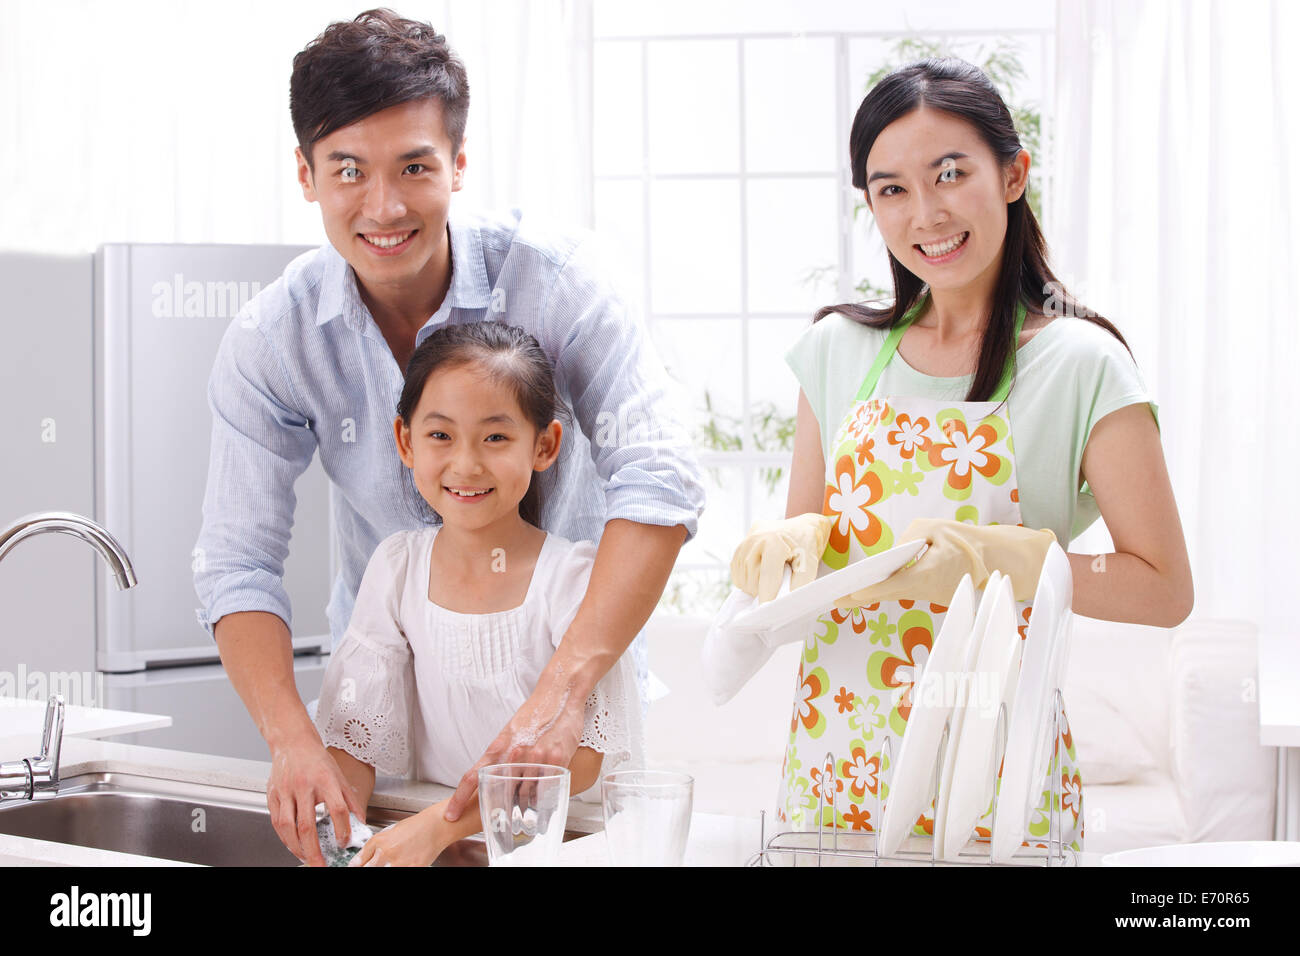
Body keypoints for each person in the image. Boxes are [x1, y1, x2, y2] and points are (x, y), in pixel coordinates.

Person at [193, 9, 703, 866]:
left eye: (415, 167)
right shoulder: (270, 339)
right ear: (306, 174)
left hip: (565, 737)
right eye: (348, 169)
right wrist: (293, 740)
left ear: (458, 166)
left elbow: (659, 480)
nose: (383, 206)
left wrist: (559, 696)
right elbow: (237, 562)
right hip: (394, 759)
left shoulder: (560, 280)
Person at [729, 58, 1193, 851]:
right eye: (892, 189)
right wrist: (783, 556)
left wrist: (1009, 563)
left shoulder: (1083, 363)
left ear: (1013, 174)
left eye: (951, 174)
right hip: (836, 764)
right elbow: (802, 559)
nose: (927, 213)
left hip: (999, 774)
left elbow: (1164, 589)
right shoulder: (837, 351)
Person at [313, 321, 642, 867]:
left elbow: (581, 759)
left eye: (495, 437)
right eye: (440, 435)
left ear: (544, 445)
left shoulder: (574, 580)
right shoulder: (396, 569)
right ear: (405, 441)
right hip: (438, 852)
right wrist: (337, 834)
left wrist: (439, 828)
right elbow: (355, 737)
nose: (466, 464)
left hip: (555, 853)